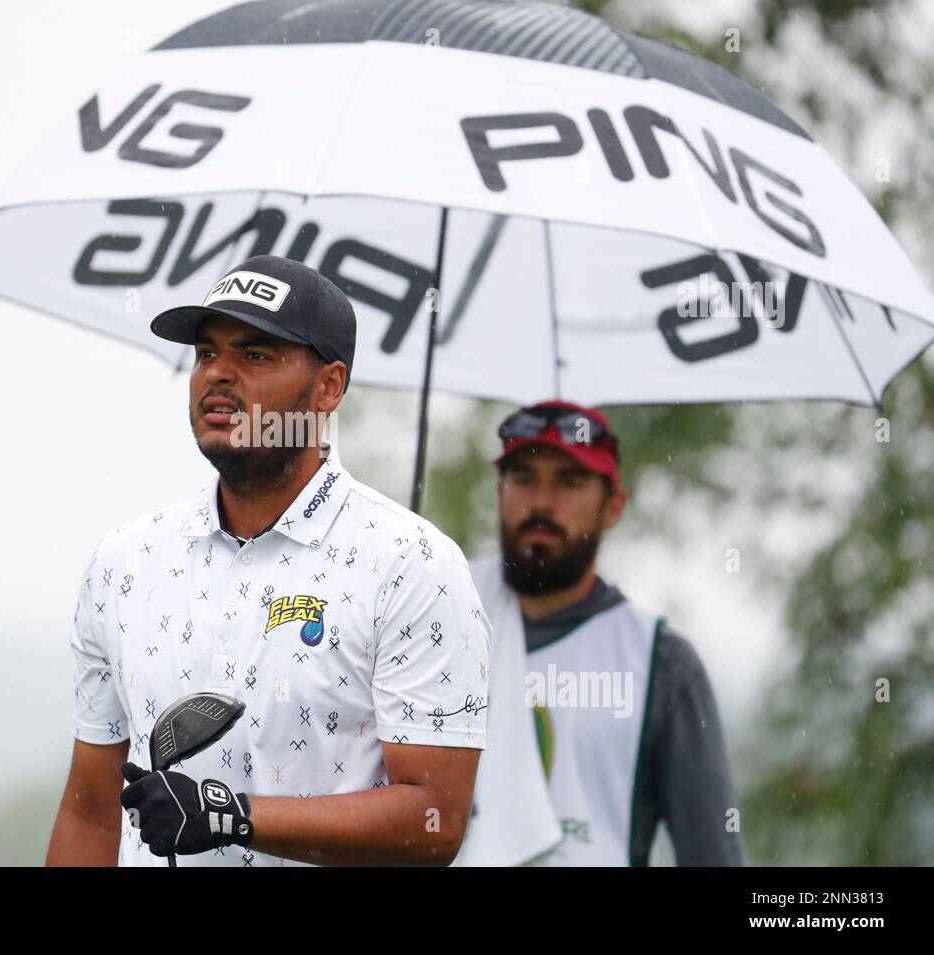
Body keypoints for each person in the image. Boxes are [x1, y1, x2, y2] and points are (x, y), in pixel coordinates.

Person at [45, 255, 551, 866]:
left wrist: (229, 815)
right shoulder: (124, 563)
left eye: (255, 355)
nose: (219, 375)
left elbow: (432, 819)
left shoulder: (414, 564)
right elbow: (91, 810)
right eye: (207, 353)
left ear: (330, 386)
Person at [458, 400, 745, 866]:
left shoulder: (661, 663)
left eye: (569, 482)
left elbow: (712, 853)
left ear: (613, 506)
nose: (542, 503)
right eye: (525, 478)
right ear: (500, 491)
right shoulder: (438, 612)